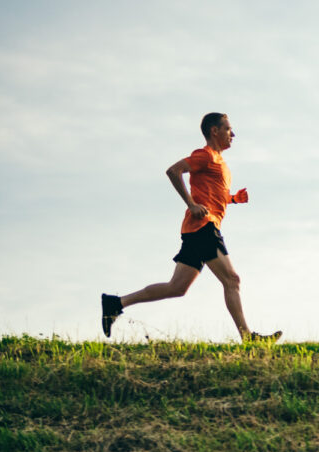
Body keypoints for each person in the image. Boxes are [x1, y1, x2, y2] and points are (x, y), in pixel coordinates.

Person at [101, 113, 281, 342]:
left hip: (195, 230)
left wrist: (233, 198)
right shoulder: (204, 155)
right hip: (204, 227)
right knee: (232, 280)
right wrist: (191, 204)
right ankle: (248, 338)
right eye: (228, 129)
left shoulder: (219, 163)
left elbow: (215, 195)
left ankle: (116, 303)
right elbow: (173, 171)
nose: (233, 134)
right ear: (214, 131)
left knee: (176, 287)